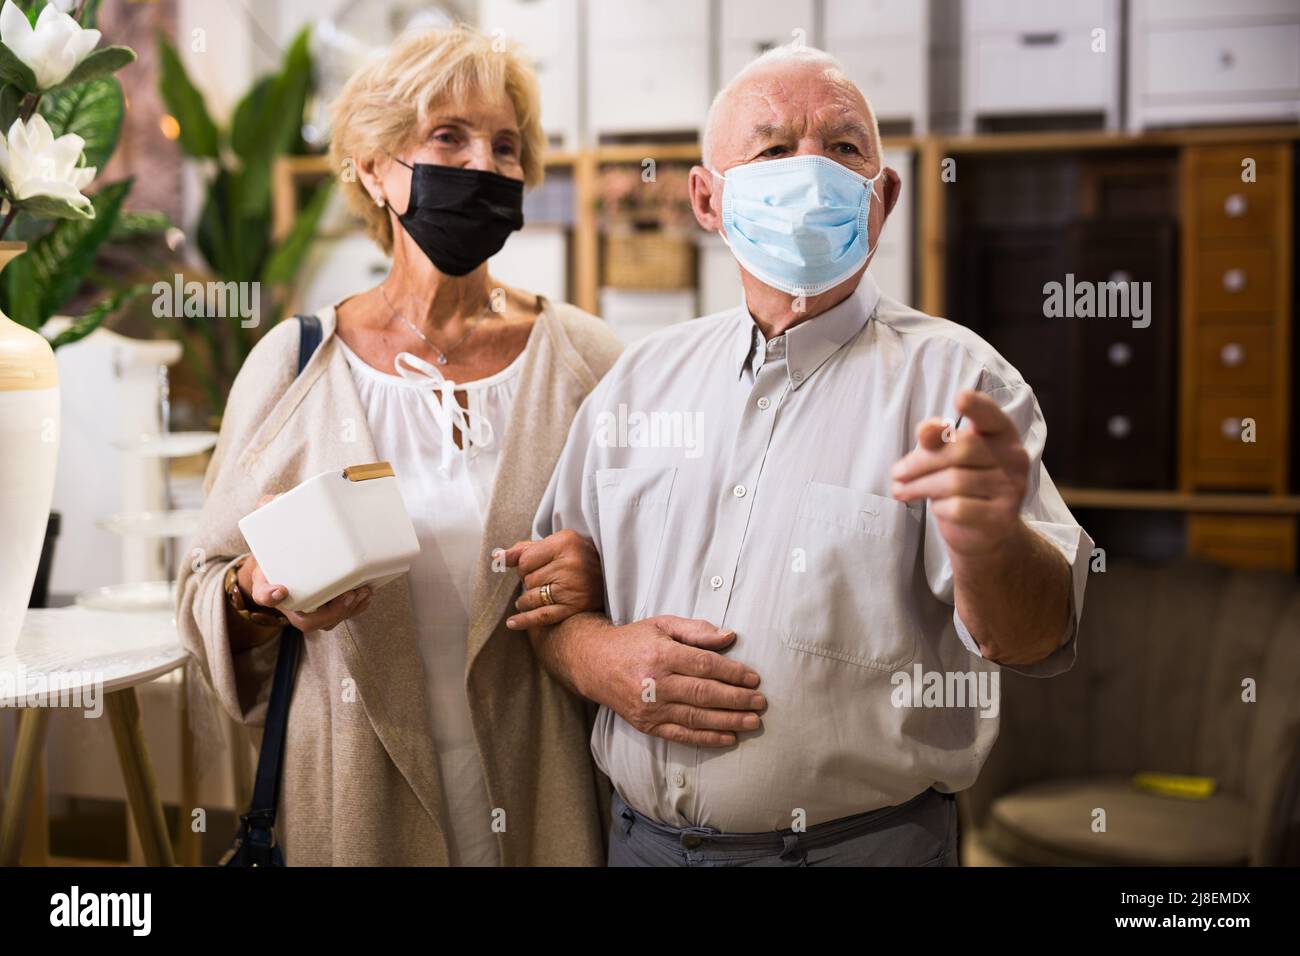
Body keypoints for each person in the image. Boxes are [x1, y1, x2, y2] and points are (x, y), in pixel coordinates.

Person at [525, 45, 1093, 866]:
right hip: (639, 846)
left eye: (844, 147)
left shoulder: (959, 382)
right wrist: (589, 655)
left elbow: (1036, 639)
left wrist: (993, 541)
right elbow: (549, 596)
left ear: (883, 196)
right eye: (774, 148)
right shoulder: (639, 381)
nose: (812, 170)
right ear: (707, 199)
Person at [177, 25, 620, 866]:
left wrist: (602, 575)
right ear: (376, 170)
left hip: (542, 791)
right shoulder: (295, 364)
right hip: (352, 798)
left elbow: (665, 562)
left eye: (505, 144)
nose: (483, 164)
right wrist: (257, 594)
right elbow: (206, 585)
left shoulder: (587, 361)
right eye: (447, 137)